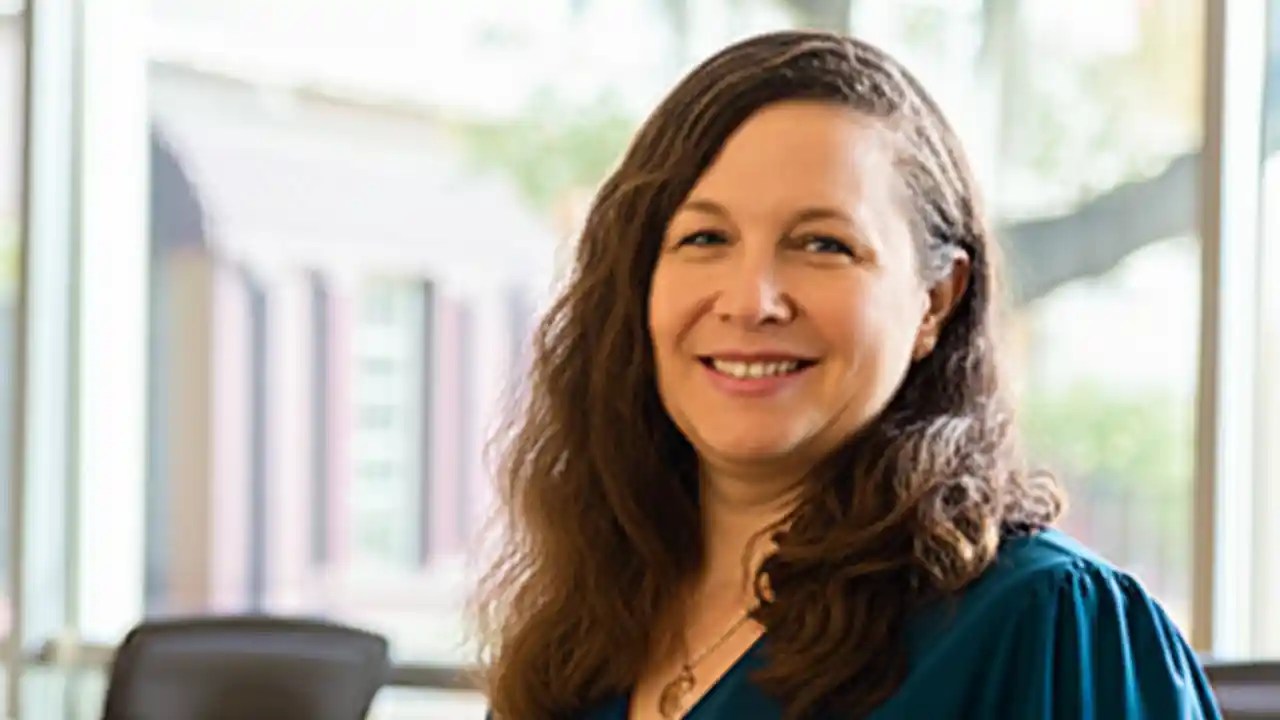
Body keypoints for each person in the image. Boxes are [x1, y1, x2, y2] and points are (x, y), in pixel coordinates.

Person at [474, 30, 1221, 719]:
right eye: (705, 237)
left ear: (935, 300)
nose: (751, 300)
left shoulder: (1048, 622)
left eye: (823, 245)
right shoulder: (585, 633)